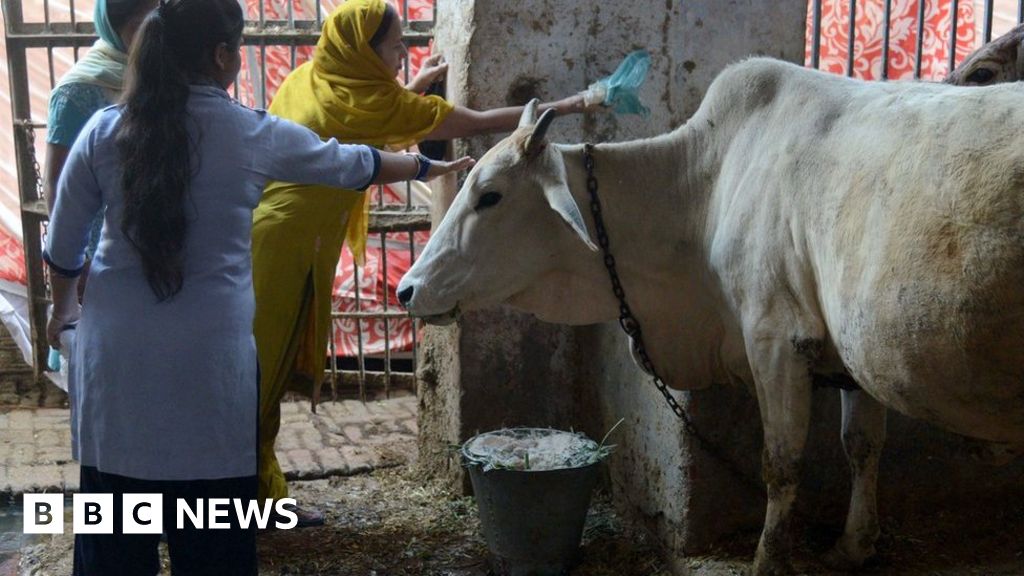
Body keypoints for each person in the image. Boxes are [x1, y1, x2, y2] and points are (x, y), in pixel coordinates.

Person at [44, 0, 471, 573]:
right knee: (213, 543)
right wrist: (424, 167)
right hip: (210, 365)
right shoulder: (249, 132)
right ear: (221, 55)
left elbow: (64, 244)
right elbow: (351, 162)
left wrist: (63, 313)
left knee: (116, 540)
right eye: (239, 49)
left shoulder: (103, 129)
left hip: (116, 362)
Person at [252, 0, 598, 525]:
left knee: (254, 375)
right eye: (395, 48)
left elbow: (364, 116)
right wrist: (570, 105)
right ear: (364, 53)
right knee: (260, 385)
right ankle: (244, 504)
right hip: (288, 254)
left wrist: (412, 88)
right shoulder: (378, 103)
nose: (402, 56)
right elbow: (478, 121)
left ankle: (248, 497)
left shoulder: (310, 79)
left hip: (265, 236)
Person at [44, 0, 158, 300]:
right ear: (112, 28)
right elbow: (57, 185)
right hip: (99, 253)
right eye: (140, 26)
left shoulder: (163, 79)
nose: (153, 35)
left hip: (159, 248)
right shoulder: (76, 92)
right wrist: (76, 264)